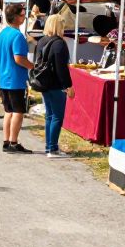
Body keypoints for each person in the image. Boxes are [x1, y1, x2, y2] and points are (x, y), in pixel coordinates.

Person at [34, 14, 75, 158]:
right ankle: (52, 148)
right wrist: (68, 86)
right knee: (57, 116)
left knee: (49, 115)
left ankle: (49, 146)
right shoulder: (59, 43)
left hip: (44, 82)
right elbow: (61, 68)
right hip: (56, 84)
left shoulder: (41, 41)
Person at [0, 2, 34, 153]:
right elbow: (19, 58)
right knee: (18, 111)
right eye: (22, 15)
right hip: (15, 79)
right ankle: (13, 142)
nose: (24, 17)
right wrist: (32, 66)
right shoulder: (17, 36)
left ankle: (6, 141)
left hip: (4, 78)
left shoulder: (2, 34)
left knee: (8, 111)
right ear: (16, 17)